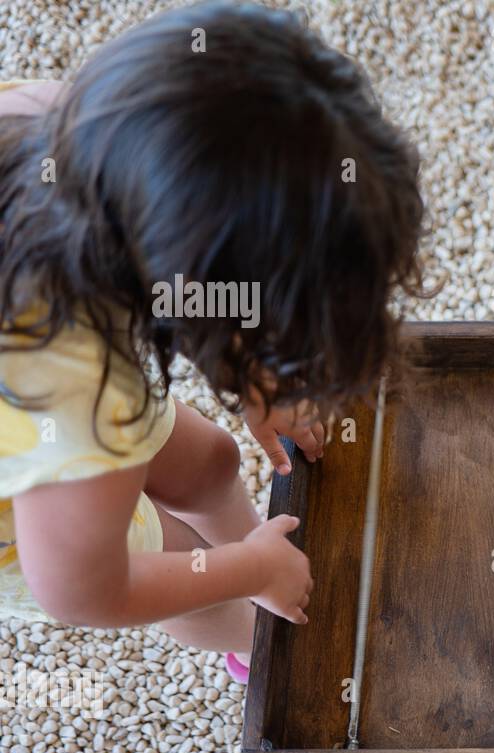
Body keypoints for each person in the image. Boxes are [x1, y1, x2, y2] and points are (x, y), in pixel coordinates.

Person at [0, 3, 424, 683]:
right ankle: (255, 638)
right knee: (162, 551)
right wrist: (245, 570)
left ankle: (261, 556)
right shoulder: (79, 407)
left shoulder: (57, 125)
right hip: (27, 488)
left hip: (58, 333)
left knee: (209, 462)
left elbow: (167, 260)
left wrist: (251, 372)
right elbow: (87, 591)